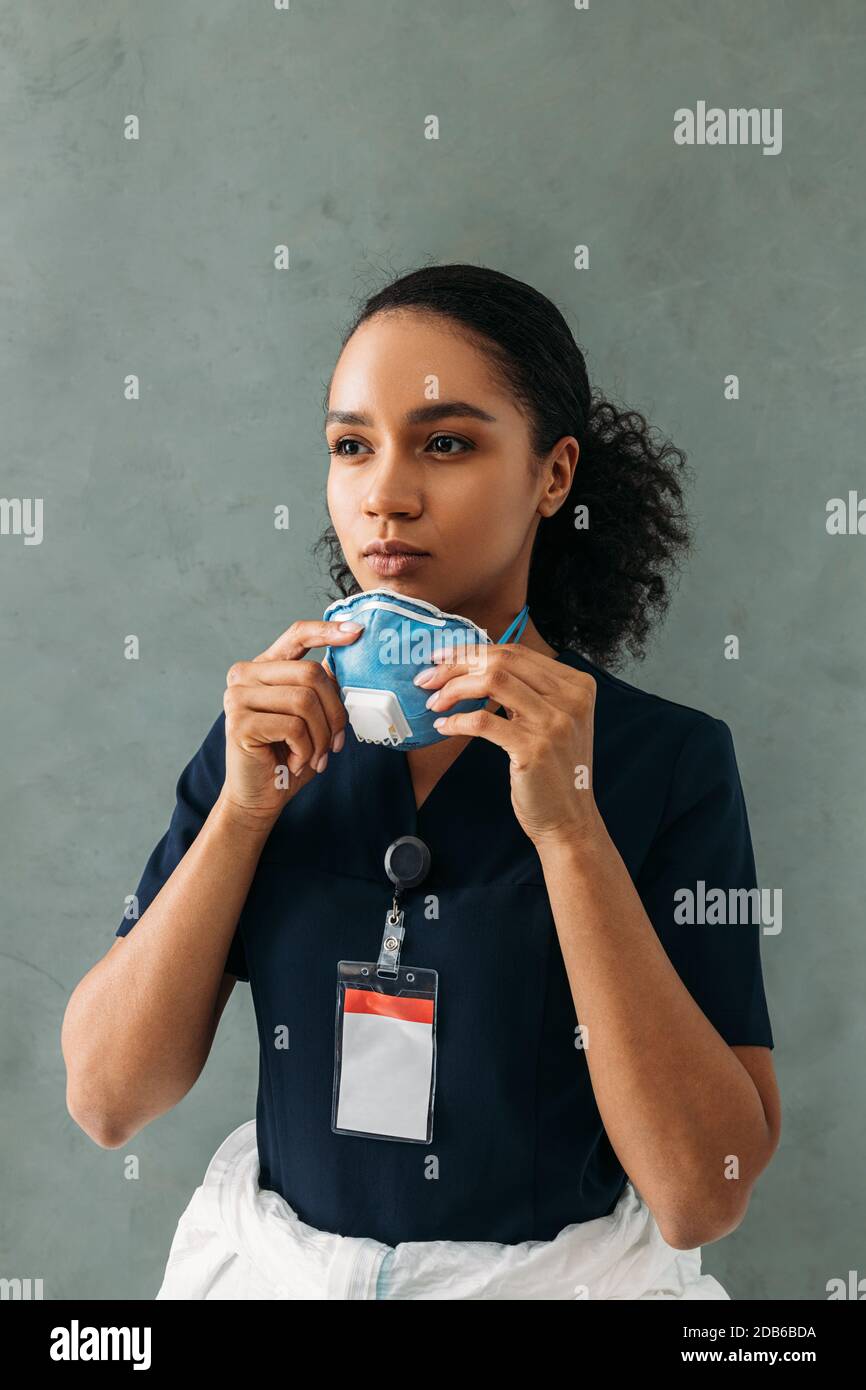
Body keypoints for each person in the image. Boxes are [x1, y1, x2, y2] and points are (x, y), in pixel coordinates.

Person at [61, 263, 781, 1300]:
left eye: (445, 443)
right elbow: (107, 1099)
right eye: (351, 445)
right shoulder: (263, 741)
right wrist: (239, 816)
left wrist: (572, 833)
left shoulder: (664, 762)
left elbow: (699, 1193)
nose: (384, 494)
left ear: (552, 474)